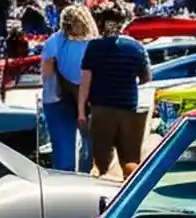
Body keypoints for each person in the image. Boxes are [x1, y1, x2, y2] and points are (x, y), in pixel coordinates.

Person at [78, 1, 151, 179]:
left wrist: (81, 111)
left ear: (102, 23)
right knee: (131, 164)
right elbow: (147, 78)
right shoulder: (137, 48)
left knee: (100, 165)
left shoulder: (93, 47)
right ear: (122, 23)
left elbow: (85, 83)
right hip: (129, 110)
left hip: (101, 110)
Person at [42, 4, 95, 171]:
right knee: (90, 150)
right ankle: (86, 184)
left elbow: (45, 75)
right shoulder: (94, 43)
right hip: (88, 100)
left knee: (65, 156)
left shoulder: (54, 42)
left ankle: (65, 186)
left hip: (57, 100)